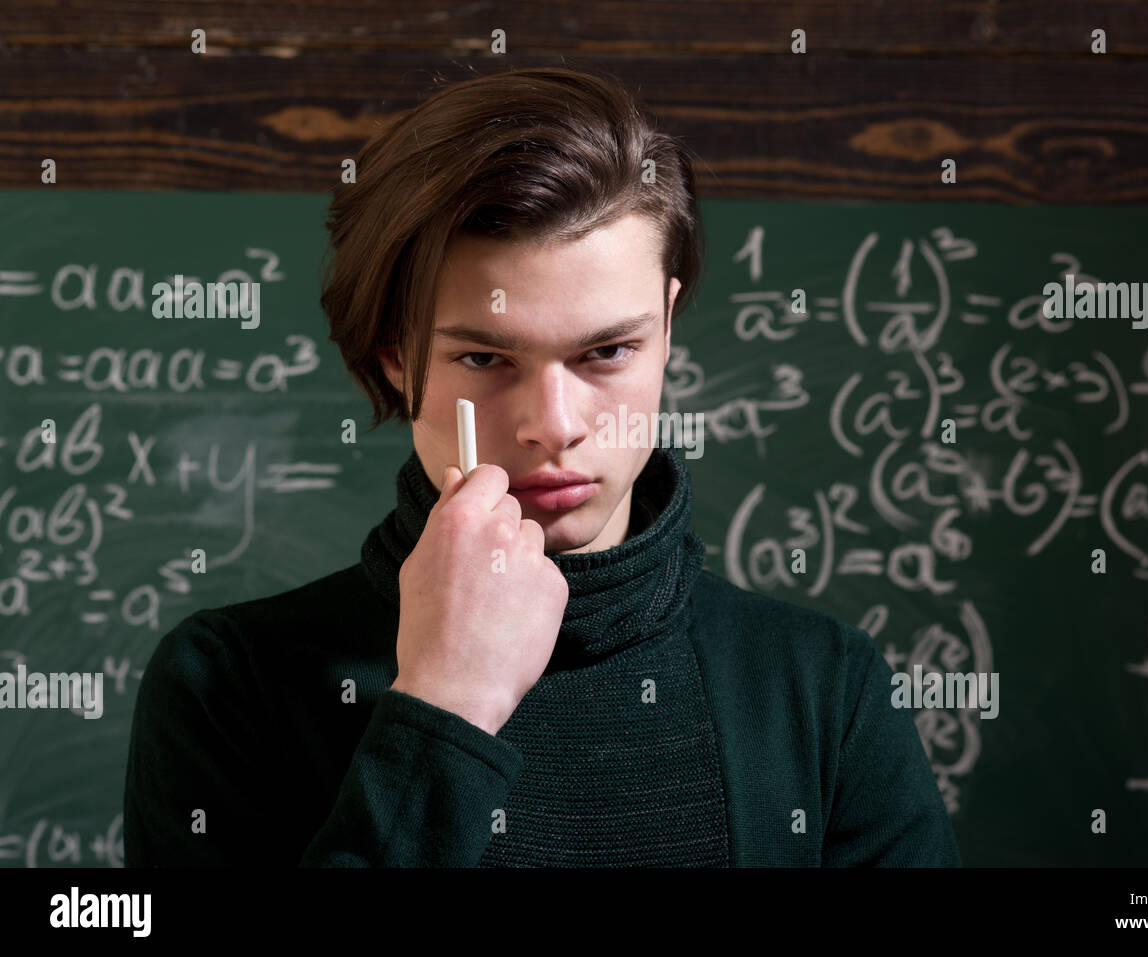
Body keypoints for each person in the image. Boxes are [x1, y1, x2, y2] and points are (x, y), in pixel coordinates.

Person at [123, 66, 960, 867]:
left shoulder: (824, 689)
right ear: (396, 356)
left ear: (666, 327)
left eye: (607, 351)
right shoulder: (226, 684)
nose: (552, 427)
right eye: (486, 358)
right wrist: (442, 711)